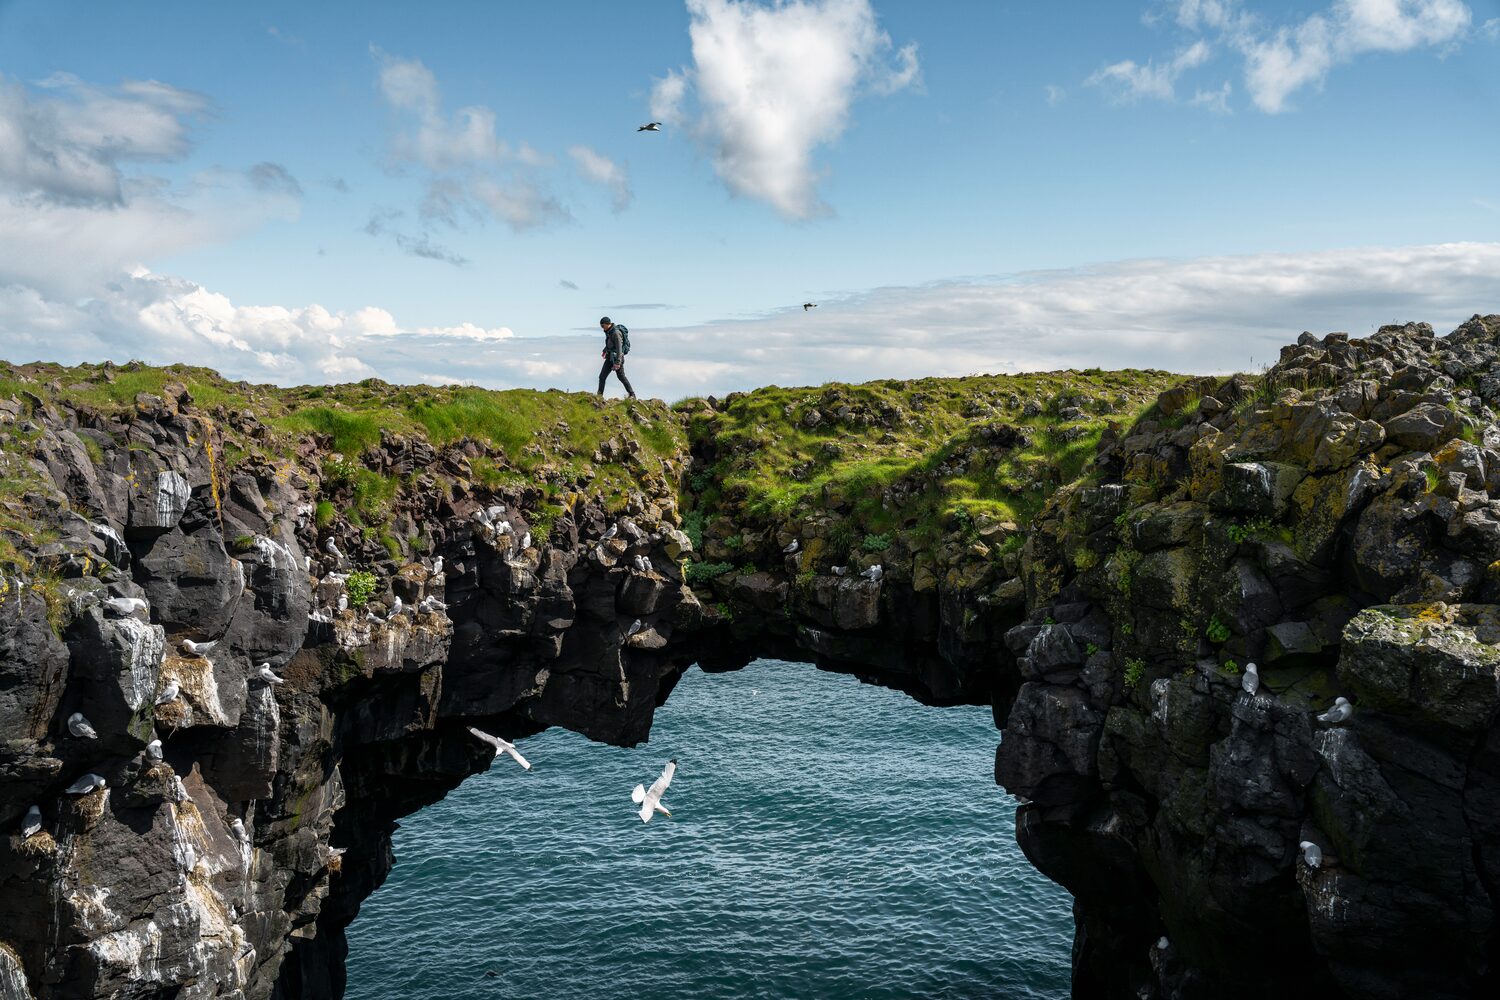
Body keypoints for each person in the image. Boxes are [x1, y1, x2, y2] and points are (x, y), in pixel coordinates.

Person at [597, 316, 636, 399]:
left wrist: (618, 362)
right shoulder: (609, 331)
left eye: (602, 326)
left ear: (608, 324)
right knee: (602, 377)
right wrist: (605, 350)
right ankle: (599, 396)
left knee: (621, 377)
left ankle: (632, 394)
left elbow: (619, 348)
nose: (602, 328)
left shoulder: (616, 333)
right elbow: (610, 344)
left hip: (617, 359)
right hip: (609, 358)